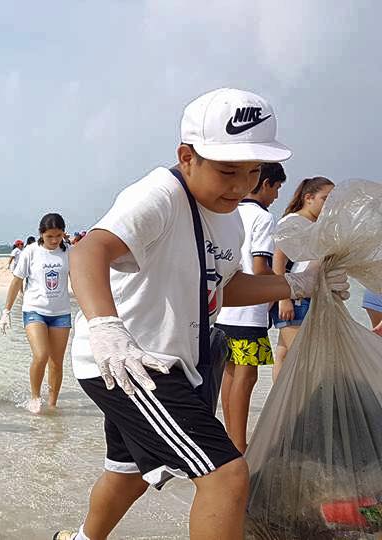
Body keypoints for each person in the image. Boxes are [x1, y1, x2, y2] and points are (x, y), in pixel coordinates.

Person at [54, 89, 349, 540]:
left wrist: (295, 283)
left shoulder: (229, 216)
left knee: (129, 474)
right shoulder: (158, 196)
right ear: (187, 156)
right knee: (227, 475)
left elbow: (222, 288)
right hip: (132, 363)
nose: (240, 185)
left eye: (253, 172)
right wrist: (105, 326)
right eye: (227, 170)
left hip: (176, 362)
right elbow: (88, 250)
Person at [215, 162, 286, 452]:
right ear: (265, 183)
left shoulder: (228, 212)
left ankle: (231, 441)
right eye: (276, 188)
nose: (276, 196)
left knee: (228, 377)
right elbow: (259, 268)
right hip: (248, 312)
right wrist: (289, 283)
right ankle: (240, 445)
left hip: (221, 308)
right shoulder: (262, 217)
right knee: (246, 377)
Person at [0, 213, 72, 414]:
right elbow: (16, 282)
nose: (55, 240)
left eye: (58, 235)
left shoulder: (69, 252)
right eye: (50, 236)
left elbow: (81, 281)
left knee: (56, 362)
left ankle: (53, 404)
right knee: (41, 355)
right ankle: (35, 397)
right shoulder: (30, 252)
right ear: (41, 234)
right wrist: (6, 311)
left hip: (61, 313)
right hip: (34, 310)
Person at [270, 176, 335, 382]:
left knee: (284, 354)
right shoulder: (293, 222)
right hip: (294, 299)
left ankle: (279, 406)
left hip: (304, 297)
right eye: (326, 199)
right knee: (304, 360)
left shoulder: (314, 224)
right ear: (309, 197)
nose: (329, 205)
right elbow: (278, 258)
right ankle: (295, 406)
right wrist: (283, 298)